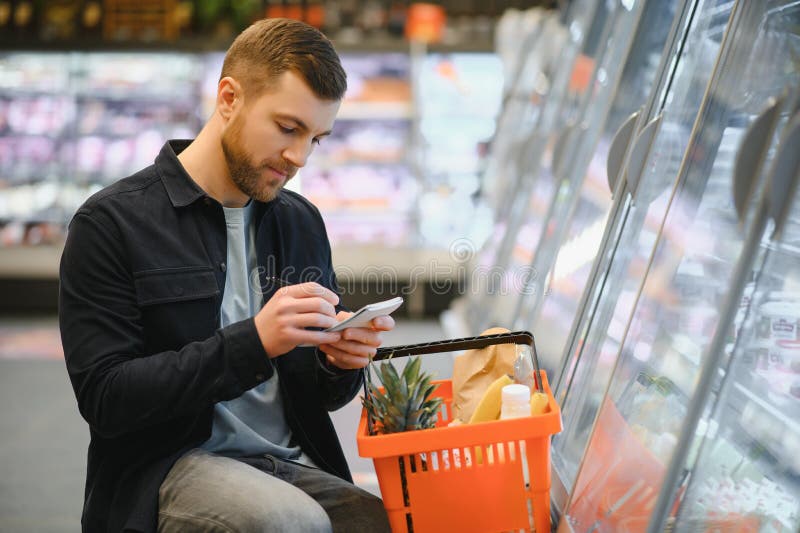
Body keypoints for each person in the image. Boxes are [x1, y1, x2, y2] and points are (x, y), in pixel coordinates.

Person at [59, 18, 393, 533]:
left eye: (315, 139)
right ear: (229, 98)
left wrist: (339, 361)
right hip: (166, 468)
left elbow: (320, 397)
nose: (299, 157)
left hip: (287, 460)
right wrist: (255, 342)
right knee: (290, 523)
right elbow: (107, 400)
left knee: (389, 522)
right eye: (287, 128)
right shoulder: (110, 224)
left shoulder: (300, 222)